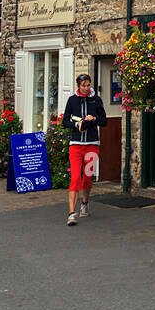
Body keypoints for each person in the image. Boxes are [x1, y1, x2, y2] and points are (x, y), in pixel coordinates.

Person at [63, 74, 107, 226]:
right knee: (75, 178)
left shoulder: (97, 100)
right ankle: (71, 213)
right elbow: (65, 121)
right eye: (84, 85)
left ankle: (85, 204)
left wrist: (93, 119)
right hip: (76, 144)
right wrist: (77, 125)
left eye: (88, 85)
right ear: (78, 86)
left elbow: (104, 121)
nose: (86, 88)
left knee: (87, 177)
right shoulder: (72, 100)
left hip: (92, 145)